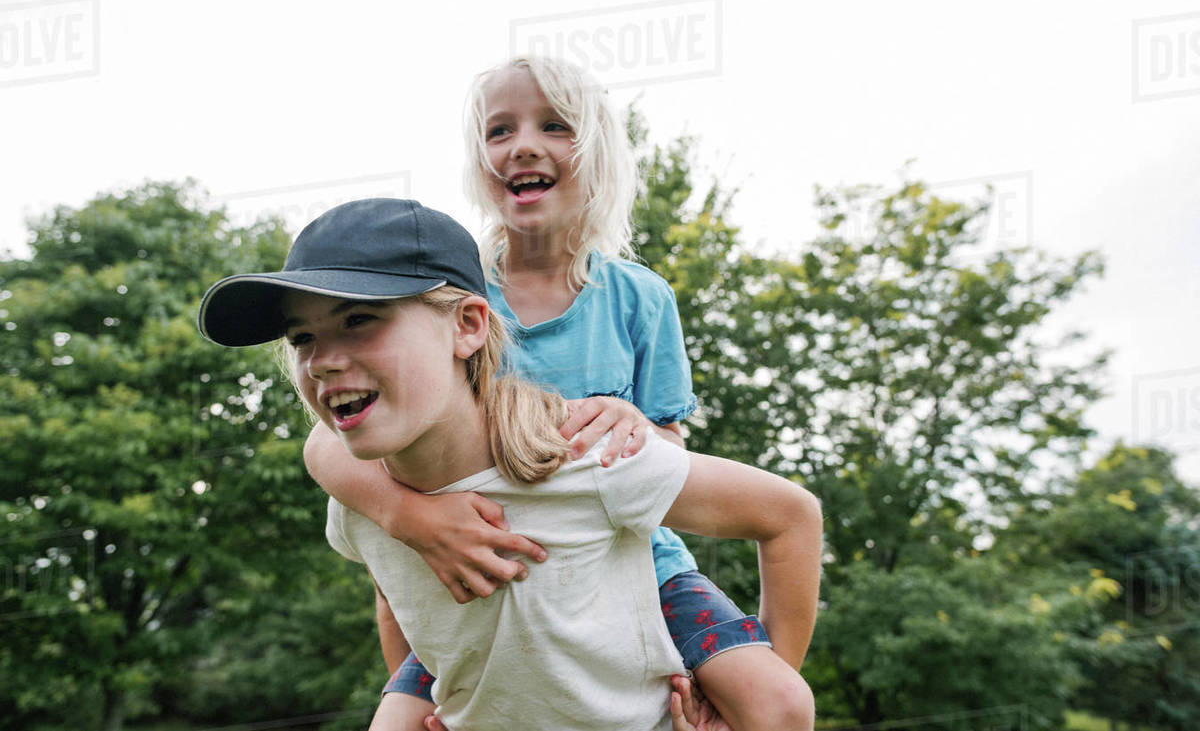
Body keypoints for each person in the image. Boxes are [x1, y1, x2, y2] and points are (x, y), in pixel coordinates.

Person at [304, 56, 818, 729]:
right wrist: (411, 518)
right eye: (498, 130)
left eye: (555, 125)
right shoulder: (447, 300)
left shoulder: (639, 298)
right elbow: (327, 443)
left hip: (629, 566)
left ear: (599, 154)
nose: (522, 143)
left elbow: (666, 448)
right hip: (472, 560)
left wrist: (632, 422)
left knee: (777, 701)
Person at [197, 198, 821, 731]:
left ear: (467, 325)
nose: (324, 360)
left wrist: (734, 701)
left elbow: (791, 514)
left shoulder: (585, 454)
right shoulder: (357, 505)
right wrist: (435, 690)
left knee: (780, 704)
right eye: (302, 338)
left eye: (359, 320)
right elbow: (400, 603)